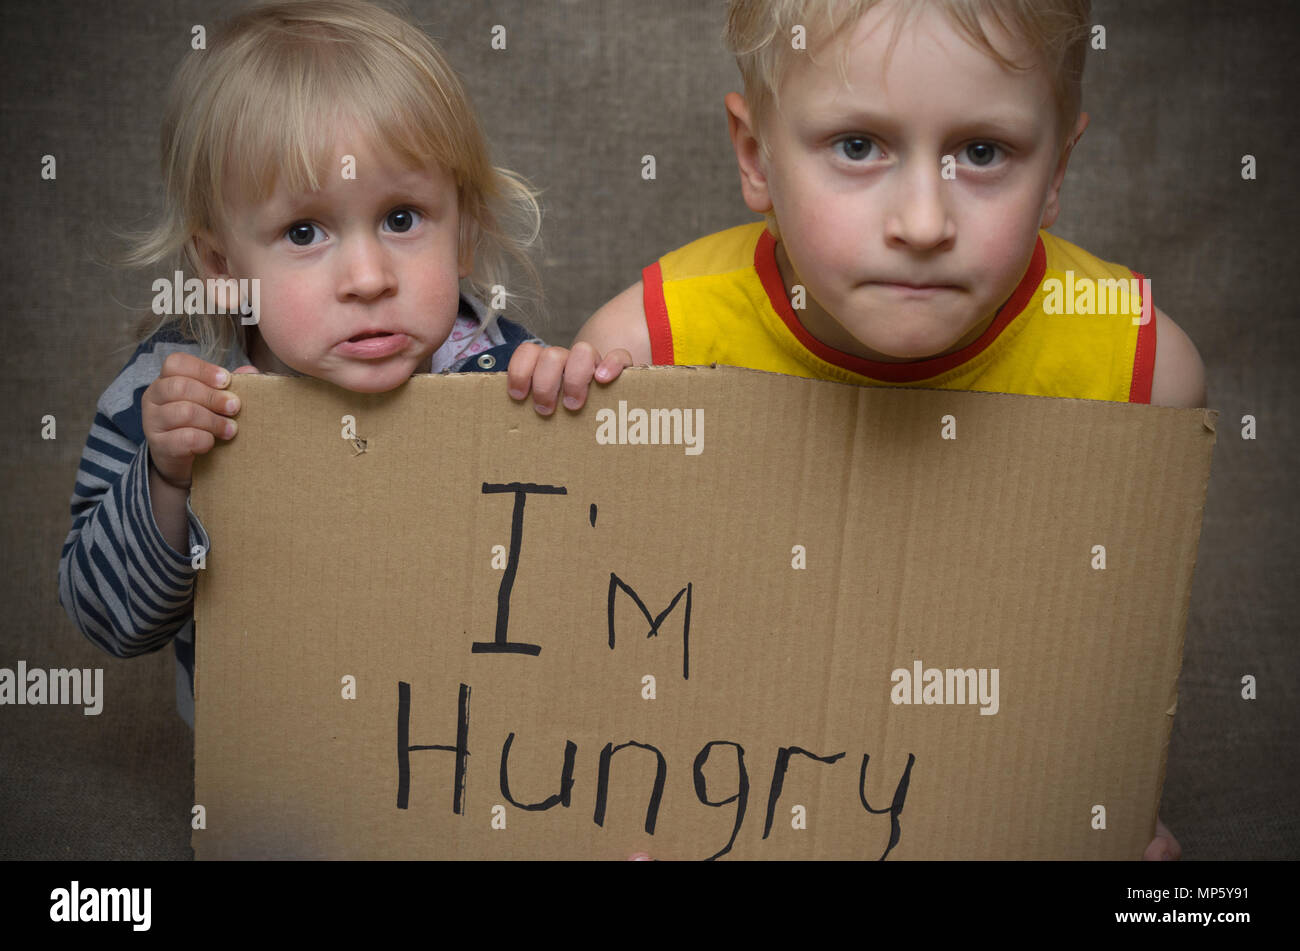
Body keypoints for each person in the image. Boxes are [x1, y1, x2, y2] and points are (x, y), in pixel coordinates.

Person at [508, 0, 1198, 859]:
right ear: (756, 156)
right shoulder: (648, 354)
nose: (922, 223)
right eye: (858, 146)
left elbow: (1111, 652)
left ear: (1056, 171)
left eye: (982, 153)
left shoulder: (1139, 374)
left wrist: (1104, 794)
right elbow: (605, 636)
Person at [57, 0, 543, 729]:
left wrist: (566, 418)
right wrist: (166, 478)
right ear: (223, 266)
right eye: (305, 230)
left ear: (464, 231)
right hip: (271, 770)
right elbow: (106, 619)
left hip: (457, 754)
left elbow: (558, 587)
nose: (369, 276)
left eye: (402, 217)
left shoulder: (501, 369)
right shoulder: (169, 393)